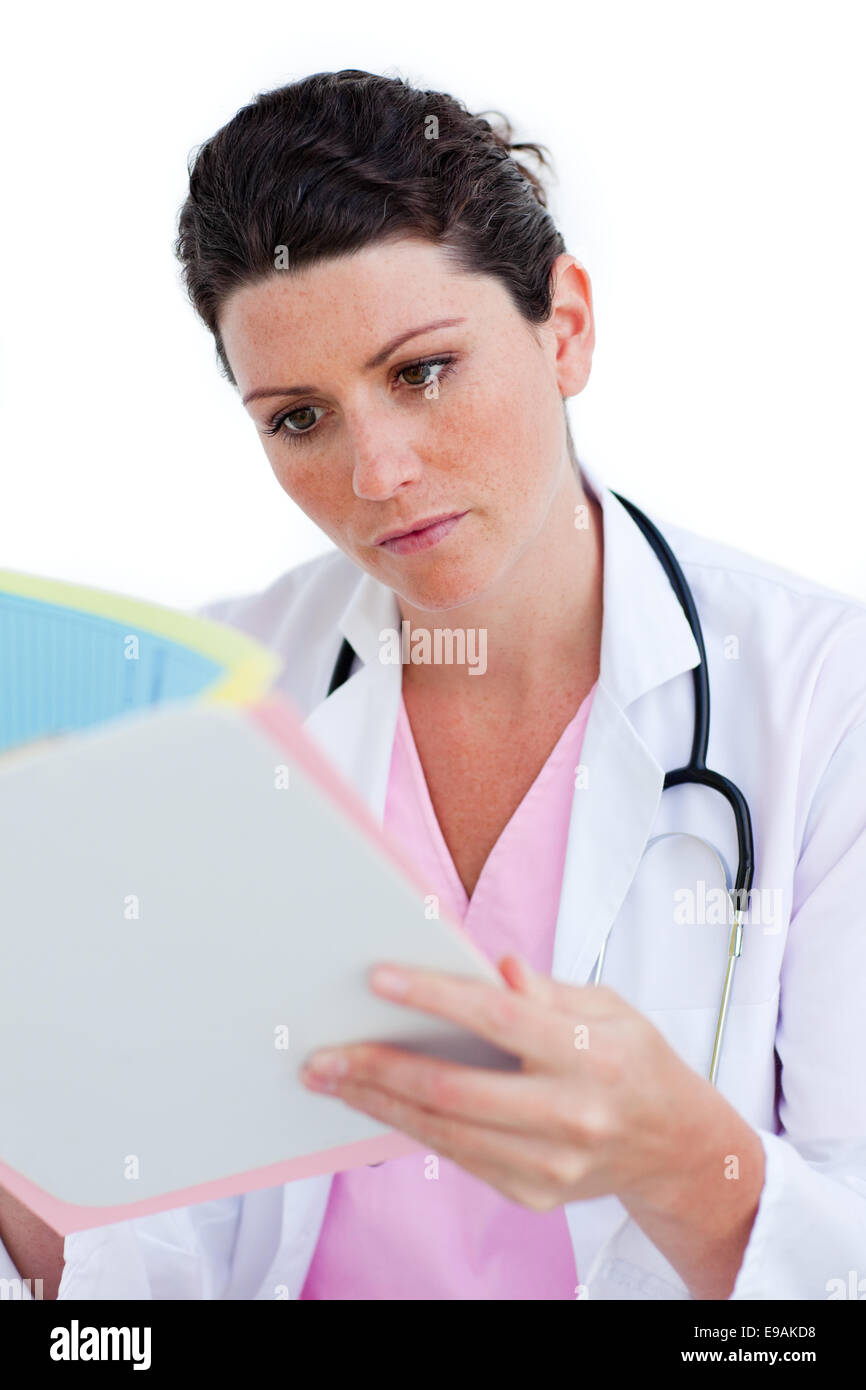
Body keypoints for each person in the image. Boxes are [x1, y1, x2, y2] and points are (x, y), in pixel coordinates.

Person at [3, 67, 865, 1302]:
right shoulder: (190, 719)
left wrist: (681, 1154)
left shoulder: (823, 705)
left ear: (561, 327)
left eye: (419, 371)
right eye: (299, 418)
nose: (377, 472)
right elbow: (123, 1264)